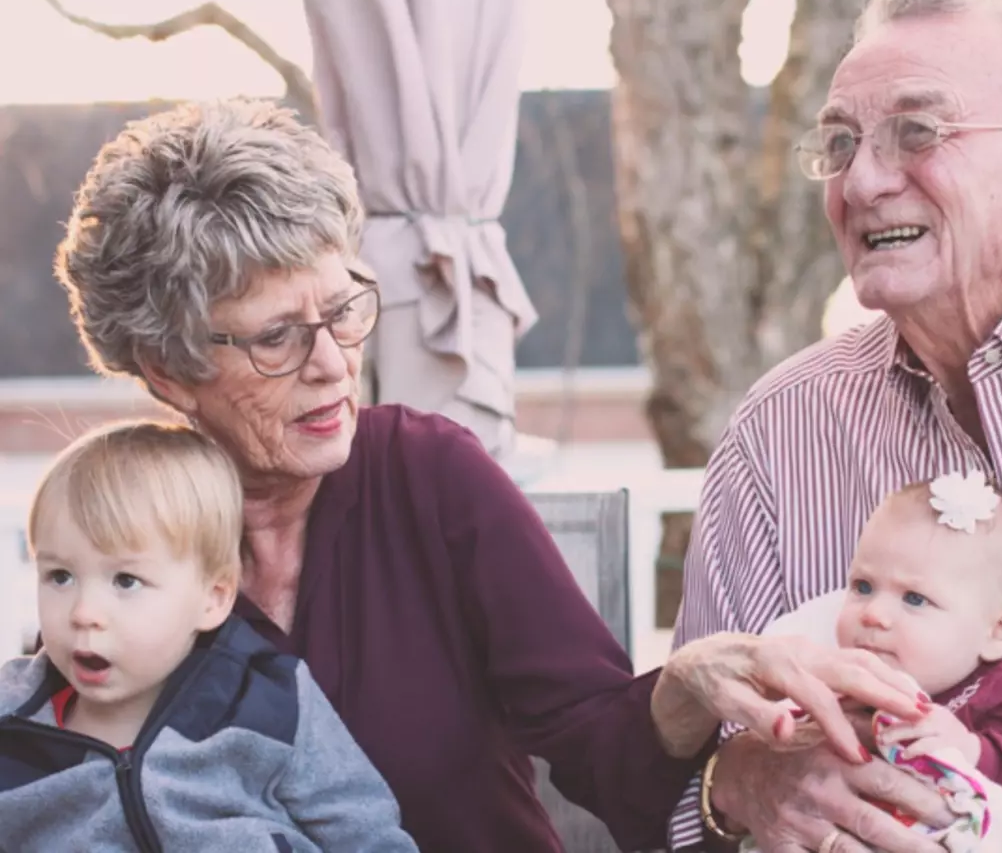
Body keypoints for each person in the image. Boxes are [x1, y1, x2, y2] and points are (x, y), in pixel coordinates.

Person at [50, 99, 933, 853]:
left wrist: (682, 684)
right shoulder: (115, 534)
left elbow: (601, 747)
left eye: (344, 307)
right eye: (278, 336)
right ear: (168, 372)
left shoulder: (429, 476)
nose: (332, 363)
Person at [670, 0, 1002, 852]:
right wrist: (740, 788)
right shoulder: (779, 428)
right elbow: (696, 787)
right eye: (840, 143)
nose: (865, 181)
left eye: (919, 132)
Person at [0, 421, 419, 852]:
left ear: (213, 599)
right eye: (60, 576)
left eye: (126, 581)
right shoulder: (11, 719)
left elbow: (366, 833)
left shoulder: (269, 702)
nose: (83, 613)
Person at [793, 472, 1002, 824]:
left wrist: (971, 750)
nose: (874, 614)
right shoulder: (834, 684)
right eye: (862, 586)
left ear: (999, 632)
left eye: (915, 598)